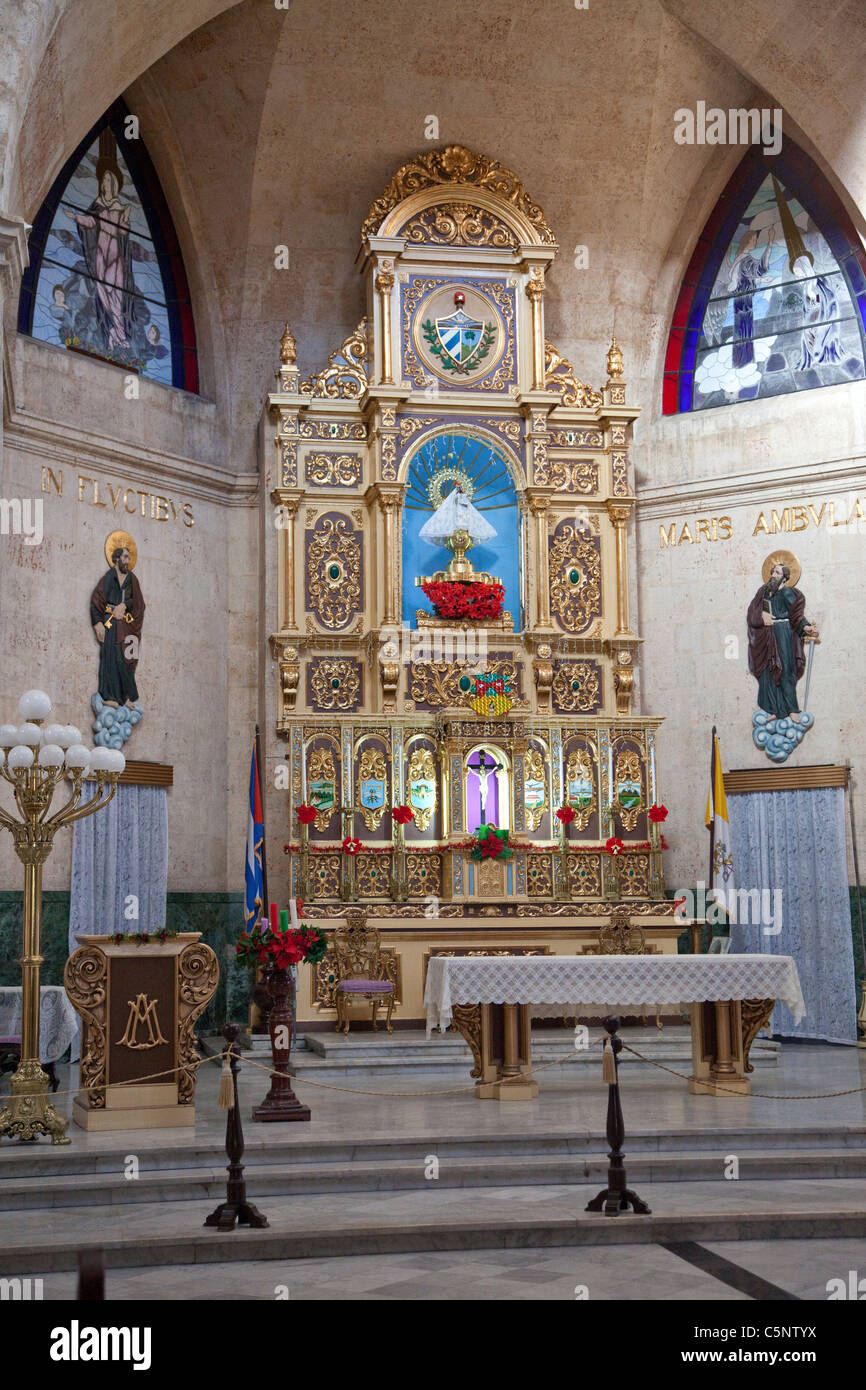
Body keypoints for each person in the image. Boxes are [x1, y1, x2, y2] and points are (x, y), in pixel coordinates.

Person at [747, 562, 818, 722]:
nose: (773, 575)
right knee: (770, 669)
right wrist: (761, 616)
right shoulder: (765, 593)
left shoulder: (787, 593)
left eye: (777, 573)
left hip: (784, 633)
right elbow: (753, 611)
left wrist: (805, 627)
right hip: (768, 635)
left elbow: (796, 615)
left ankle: (792, 709)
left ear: (785, 578)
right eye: (773, 572)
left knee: (785, 668)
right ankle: (775, 709)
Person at [90, 546, 145, 708]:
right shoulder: (109, 577)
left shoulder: (132, 579)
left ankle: (126, 696)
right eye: (125, 557)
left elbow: (139, 603)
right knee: (111, 658)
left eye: (129, 558)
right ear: (116, 559)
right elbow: (96, 600)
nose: (127, 561)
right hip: (111, 623)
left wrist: (125, 605)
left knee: (126, 659)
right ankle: (111, 696)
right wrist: (97, 623)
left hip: (126, 626)